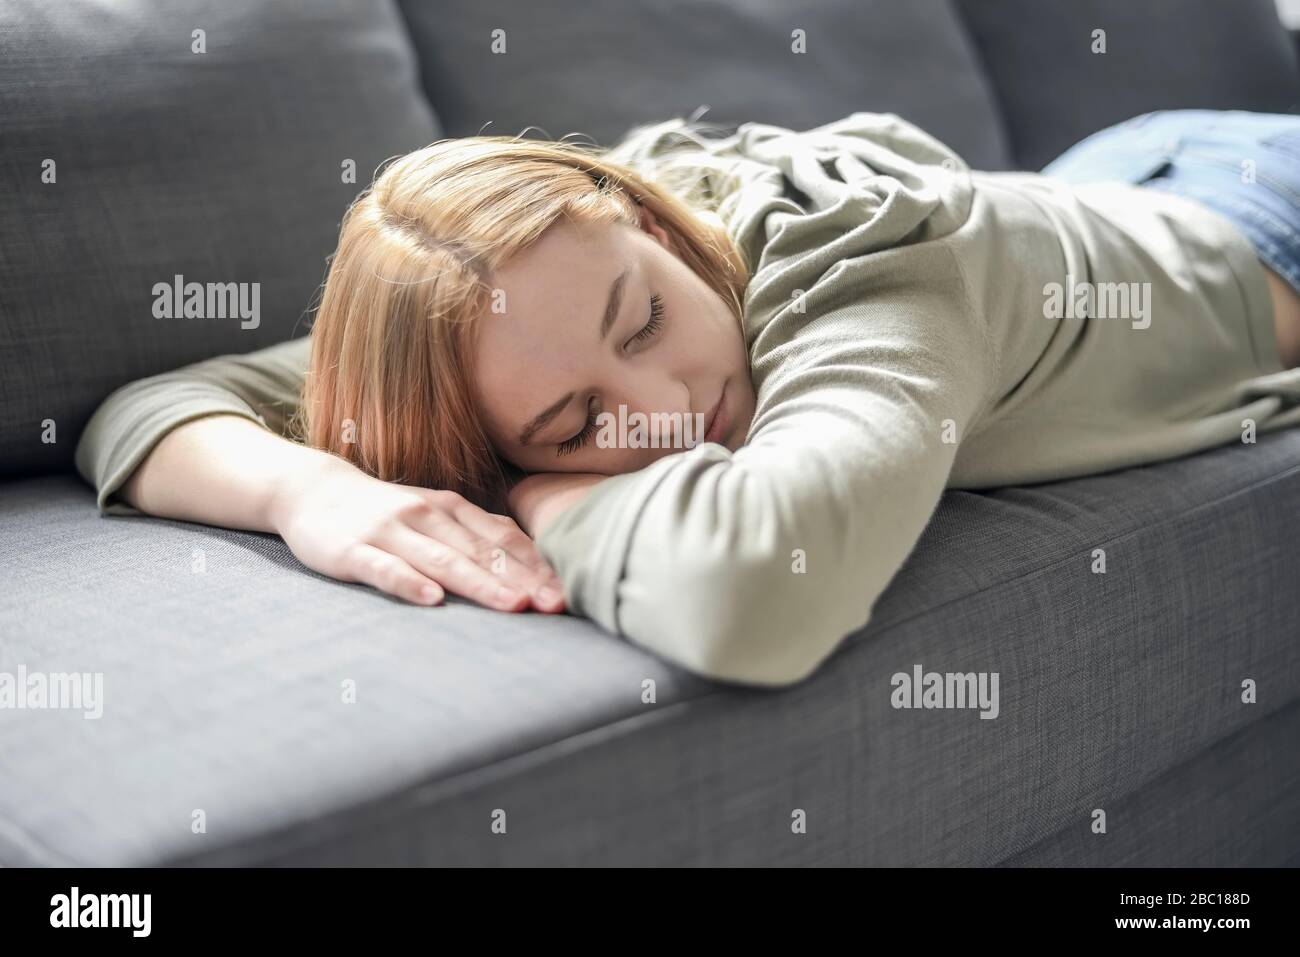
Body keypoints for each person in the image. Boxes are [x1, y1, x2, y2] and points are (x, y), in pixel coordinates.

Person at [76, 109, 1300, 686]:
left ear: (658, 222)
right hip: (1098, 179)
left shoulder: (868, 256)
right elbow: (159, 407)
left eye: (647, 319)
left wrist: (537, 482)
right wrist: (311, 489)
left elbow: (759, 589)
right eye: (575, 422)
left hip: (1259, 205)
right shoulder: (525, 310)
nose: (667, 406)